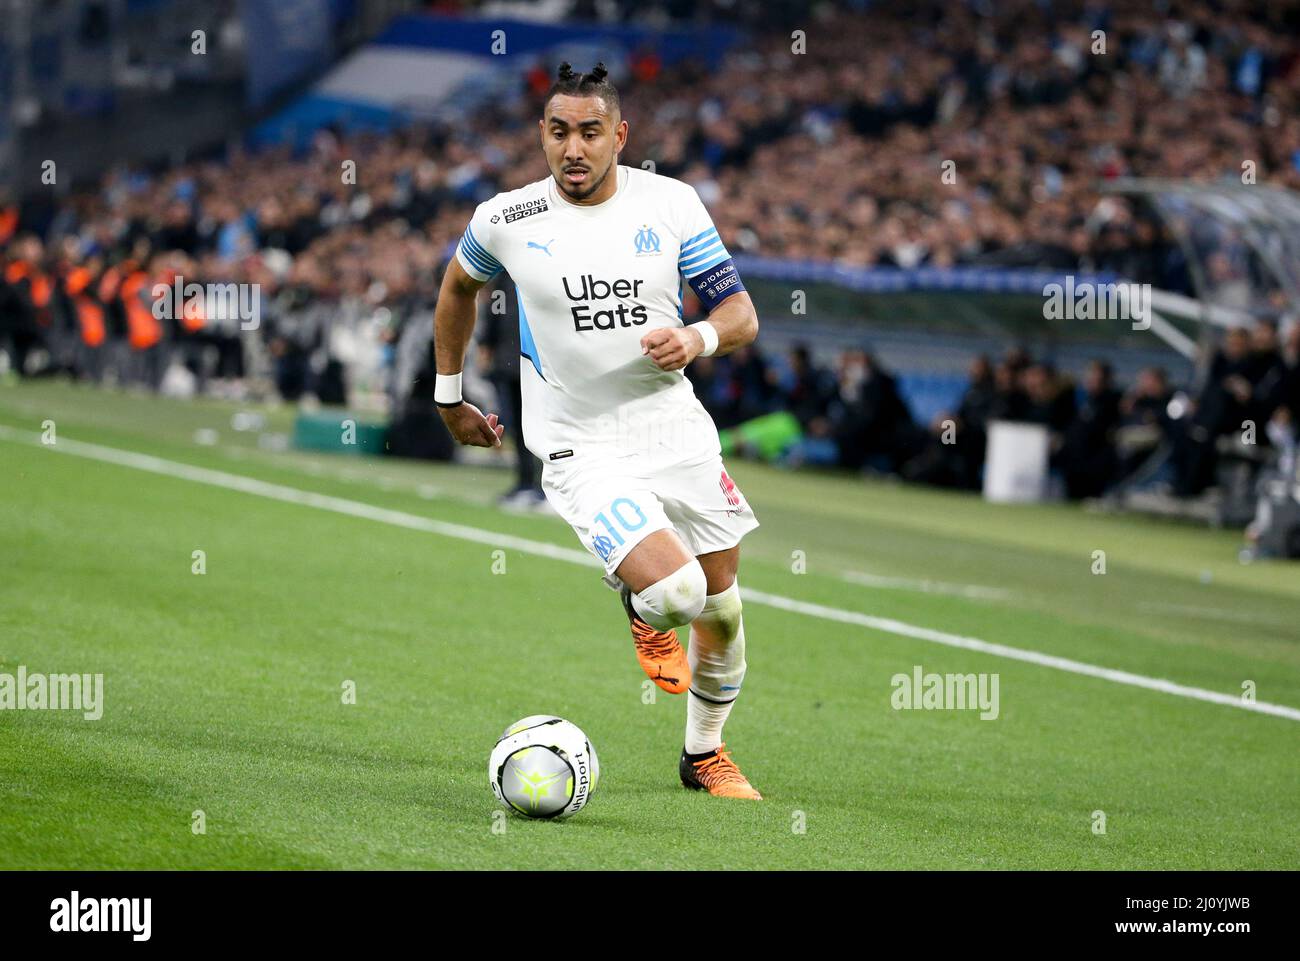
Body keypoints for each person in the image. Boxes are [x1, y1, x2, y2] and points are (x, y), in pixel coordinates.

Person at [432, 63, 763, 799]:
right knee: (676, 595)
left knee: (724, 609)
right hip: (580, 443)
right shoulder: (505, 218)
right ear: (541, 137)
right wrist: (448, 394)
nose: (572, 148)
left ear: (620, 135)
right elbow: (458, 287)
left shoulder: (672, 204)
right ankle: (640, 603)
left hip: (674, 430)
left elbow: (741, 314)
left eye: (588, 132)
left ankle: (702, 755)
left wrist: (698, 339)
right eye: (558, 132)